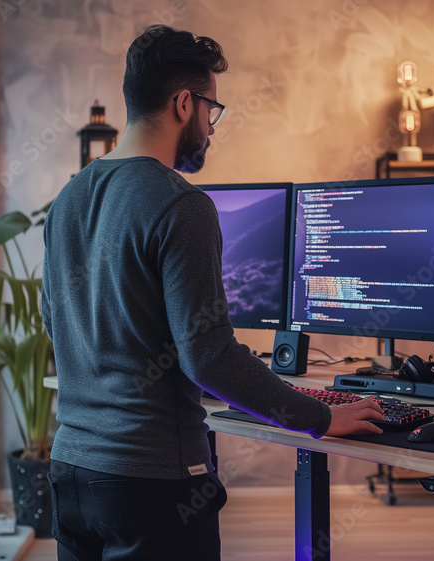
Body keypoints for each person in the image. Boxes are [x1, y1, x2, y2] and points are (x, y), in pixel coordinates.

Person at [41, 25, 384, 561]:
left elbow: (58, 323)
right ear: (184, 103)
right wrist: (321, 417)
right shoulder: (181, 204)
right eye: (212, 110)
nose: (212, 127)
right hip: (152, 482)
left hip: (71, 475)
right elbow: (209, 357)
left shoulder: (68, 198)